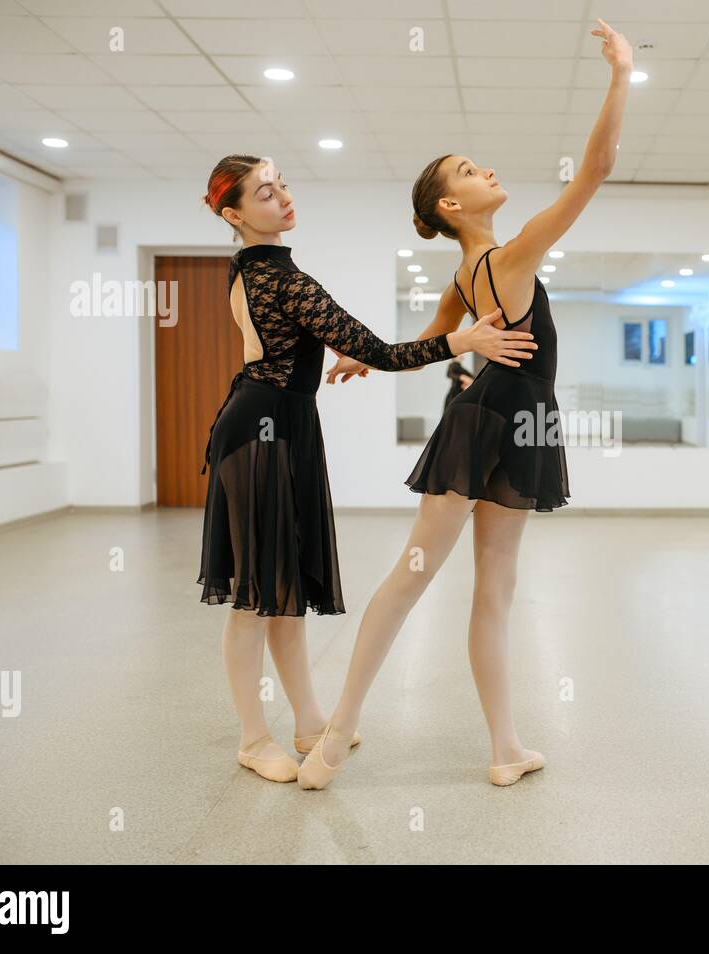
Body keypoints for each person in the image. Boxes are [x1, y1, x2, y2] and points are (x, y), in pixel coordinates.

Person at [303, 18, 631, 789]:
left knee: (418, 575)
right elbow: (597, 169)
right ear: (451, 207)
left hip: (482, 419)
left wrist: (364, 360)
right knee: (488, 588)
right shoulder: (511, 256)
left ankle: (365, 739)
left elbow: (428, 343)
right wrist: (620, 75)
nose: (485, 171)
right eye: (469, 171)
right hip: (515, 423)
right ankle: (484, 747)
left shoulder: (464, 278)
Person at [197, 154, 535, 783]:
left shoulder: (261, 269)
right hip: (260, 431)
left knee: (284, 592)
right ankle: (252, 737)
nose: (283, 199)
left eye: (282, 186)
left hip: (284, 425)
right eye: (265, 195)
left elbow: (358, 350)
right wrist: (461, 342)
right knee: (253, 597)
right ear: (234, 214)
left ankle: (307, 721)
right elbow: (374, 347)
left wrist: (389, 355)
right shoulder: (279, 279)